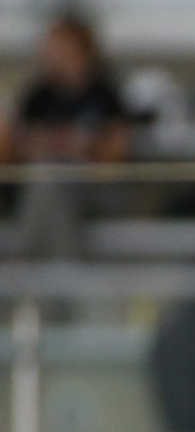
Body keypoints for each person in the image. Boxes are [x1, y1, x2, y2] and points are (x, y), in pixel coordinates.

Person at [9, 14, 130, 261]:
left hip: (93, 189)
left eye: (61, 46)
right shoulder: (38, 95)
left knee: (50, 182)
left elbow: (115, 153)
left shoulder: (105, 93)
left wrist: (75, 146)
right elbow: (17, 147)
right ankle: (67, 278)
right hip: (47, 189)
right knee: (50, 185)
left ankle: (22, 260)